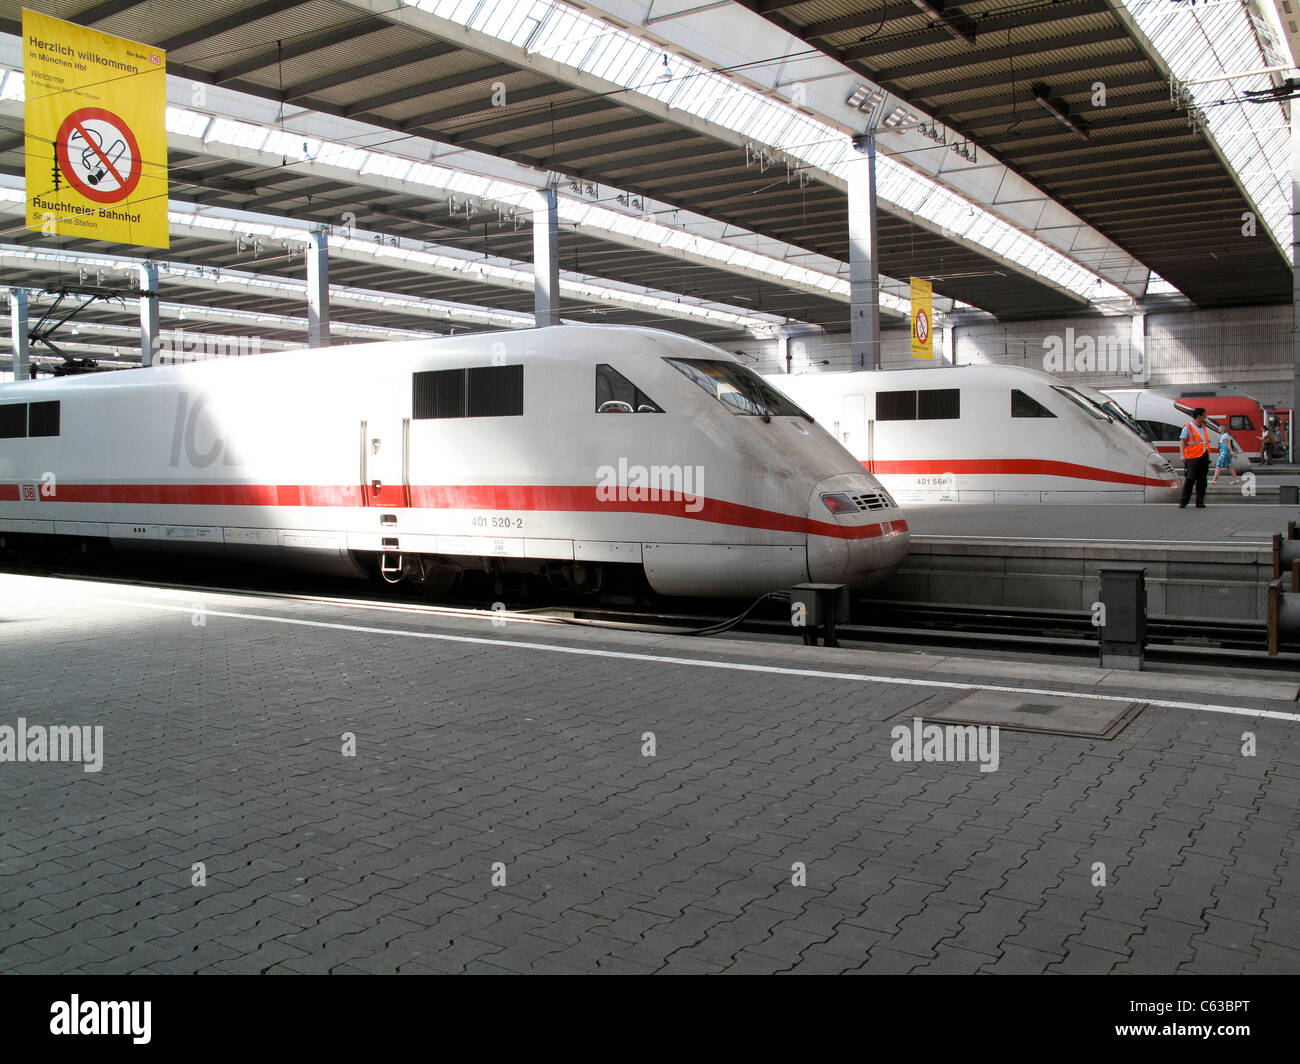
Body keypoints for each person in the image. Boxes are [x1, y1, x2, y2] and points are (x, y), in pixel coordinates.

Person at [1179, 407, 1212, 508]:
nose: (1205, 417)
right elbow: (1182, 441)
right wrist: (1182, 455)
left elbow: (1204, 442)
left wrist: (1207, 455)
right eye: (1204, 415)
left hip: (1203, 456)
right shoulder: (1188, 427)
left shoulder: (1203, 427)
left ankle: (1200, 502)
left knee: (1202, 480)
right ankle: (1184, 501)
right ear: (1199, 416)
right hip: (1192, 457)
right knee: (1190, 480)